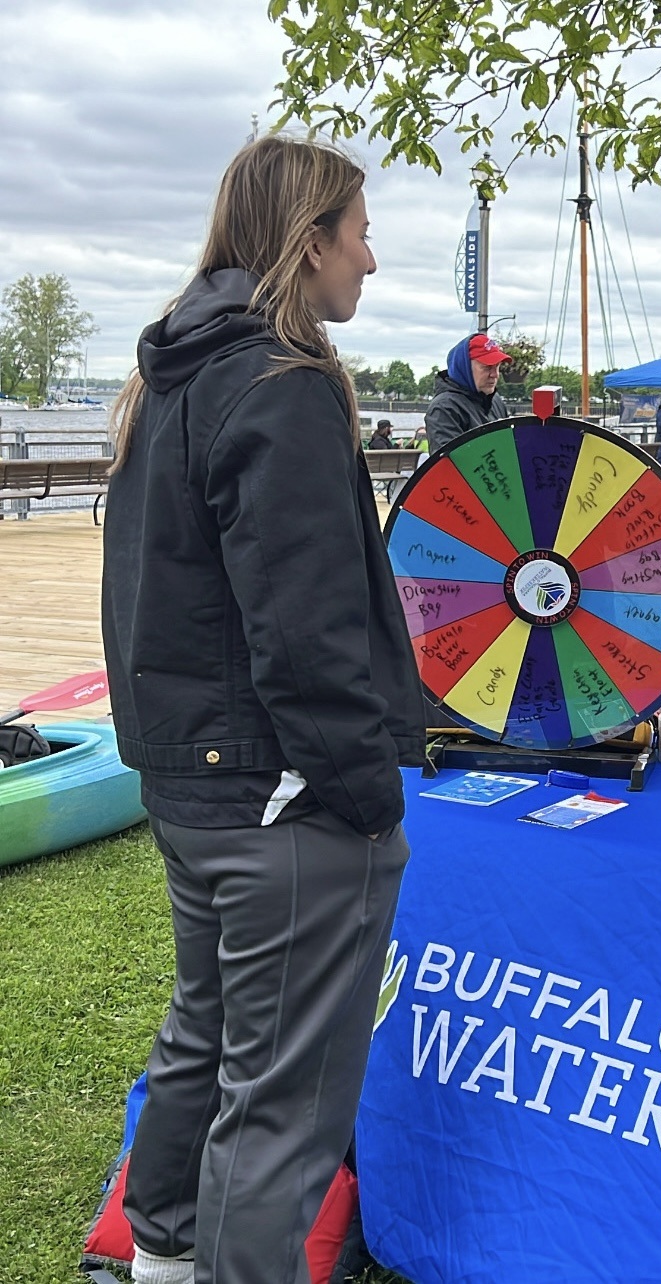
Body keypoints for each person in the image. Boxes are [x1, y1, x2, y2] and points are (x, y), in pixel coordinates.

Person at [100, 133, 424, 1284]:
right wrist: (367, 793)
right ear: (309, 239)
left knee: (206, 1027)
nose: (371, 262)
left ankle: (160, 1252)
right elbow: (305, 629)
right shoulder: (281, 387)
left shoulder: (168, 372)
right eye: (360, 232)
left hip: (190, 781)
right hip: (277, 796)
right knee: (282, 1095)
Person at [423, 332, 511, 452]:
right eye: (487, 367)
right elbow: (450, 465)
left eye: (497, 367)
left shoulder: (496, 401)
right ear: (465, 368)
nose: (495, 375)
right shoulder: (444, 408)